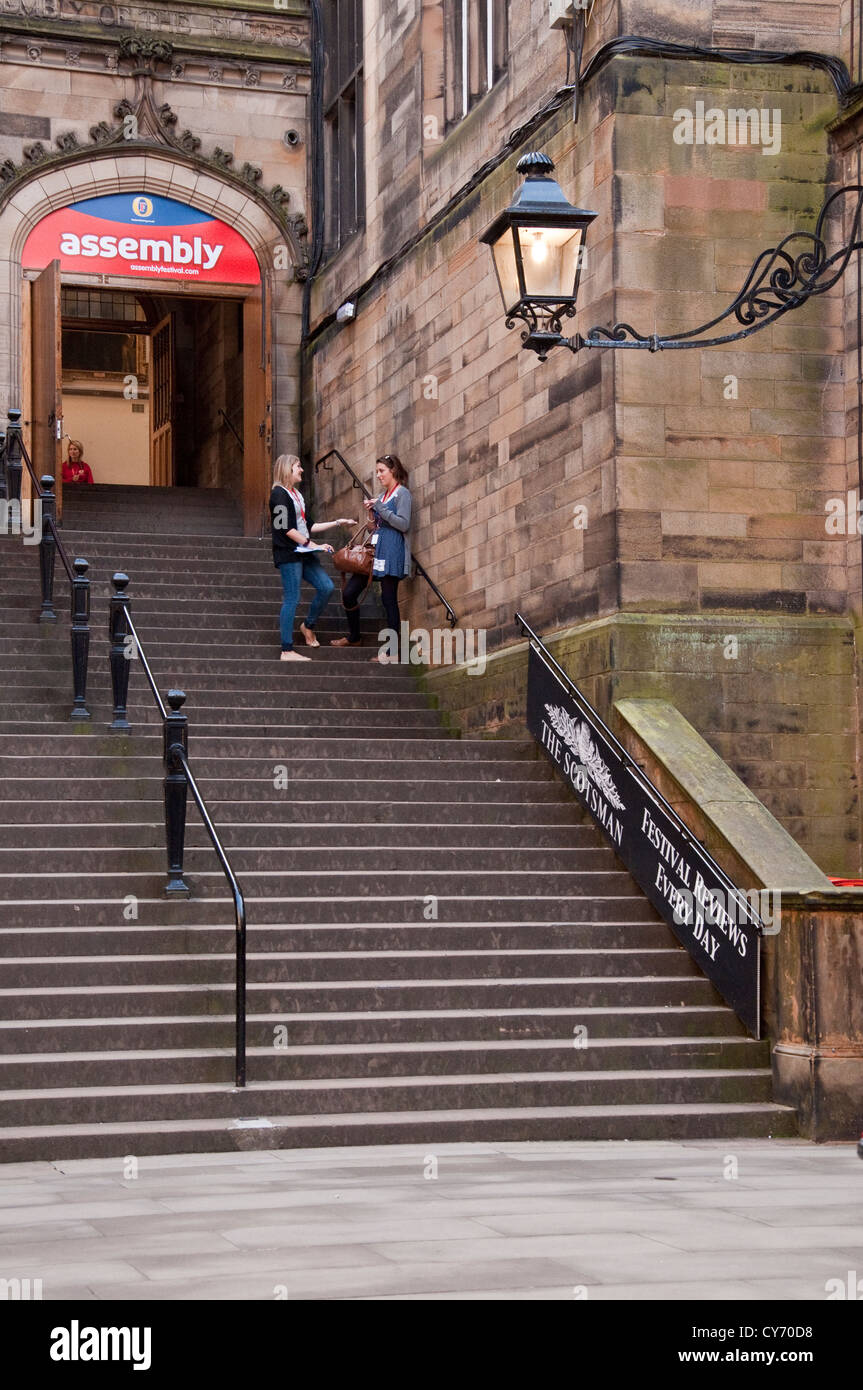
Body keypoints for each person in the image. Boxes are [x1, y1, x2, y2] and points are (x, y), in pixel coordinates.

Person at [269, 454, 356, 663]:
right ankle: (286, 650)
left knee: (326, 587)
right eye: (298, 466)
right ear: (287, 469)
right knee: (292, 597)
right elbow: (285, 528)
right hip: (290, 553)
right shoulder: (278, 495)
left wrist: (338, 522)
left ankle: (308, 625)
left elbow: (307, 527)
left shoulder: (296, 495)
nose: (301, 470)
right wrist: (313, 545)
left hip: (304, 552)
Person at [332, 454, 411, 662]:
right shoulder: (383, 496)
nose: (378, 475)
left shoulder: (402, 494)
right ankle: (354, 636)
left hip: (392, 550)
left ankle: (393, 652)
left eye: (381, 471)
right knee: (349, 592)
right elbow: (377, 526)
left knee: (388, 599)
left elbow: (403, 524)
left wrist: (381, 509)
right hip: (374, 552)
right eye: (377, 472)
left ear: (393, 470)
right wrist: (371, 517)